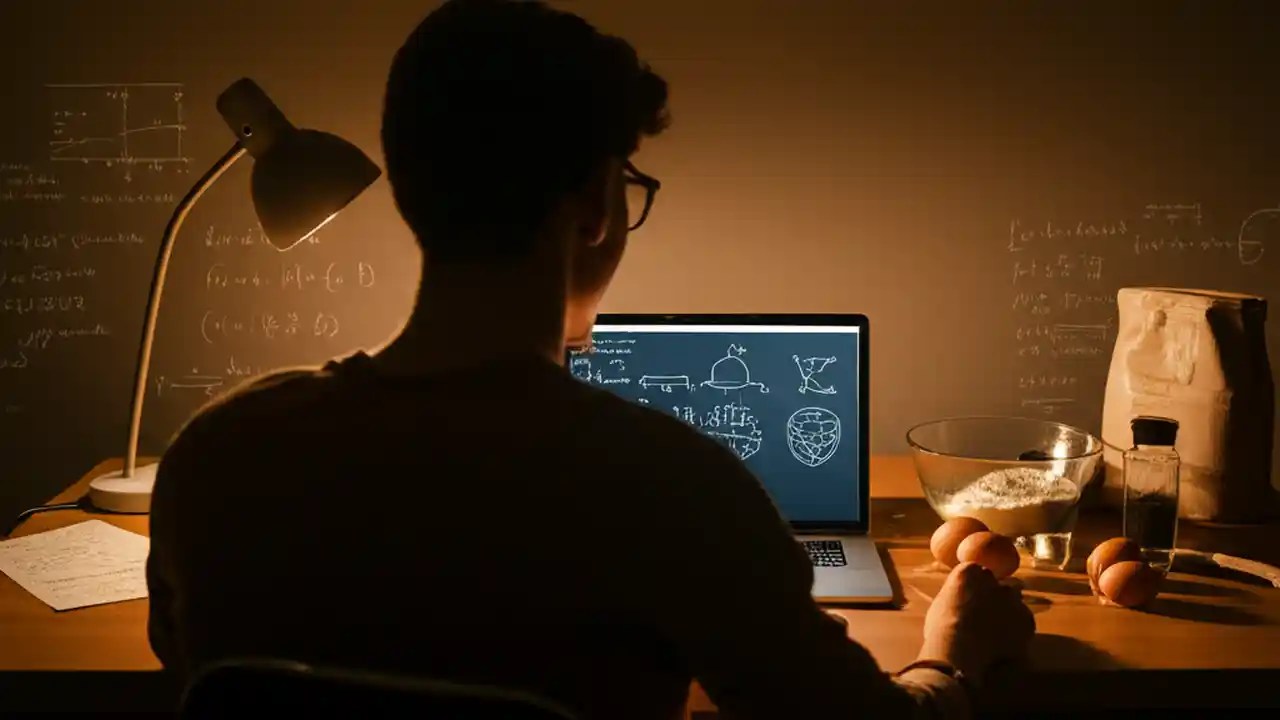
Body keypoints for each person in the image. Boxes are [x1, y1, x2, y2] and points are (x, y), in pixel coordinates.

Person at [146, 1, 1034, 718]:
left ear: (409, 188)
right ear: (598, 208)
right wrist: (952, 655)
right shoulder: (675, 488)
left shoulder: (214, 456)